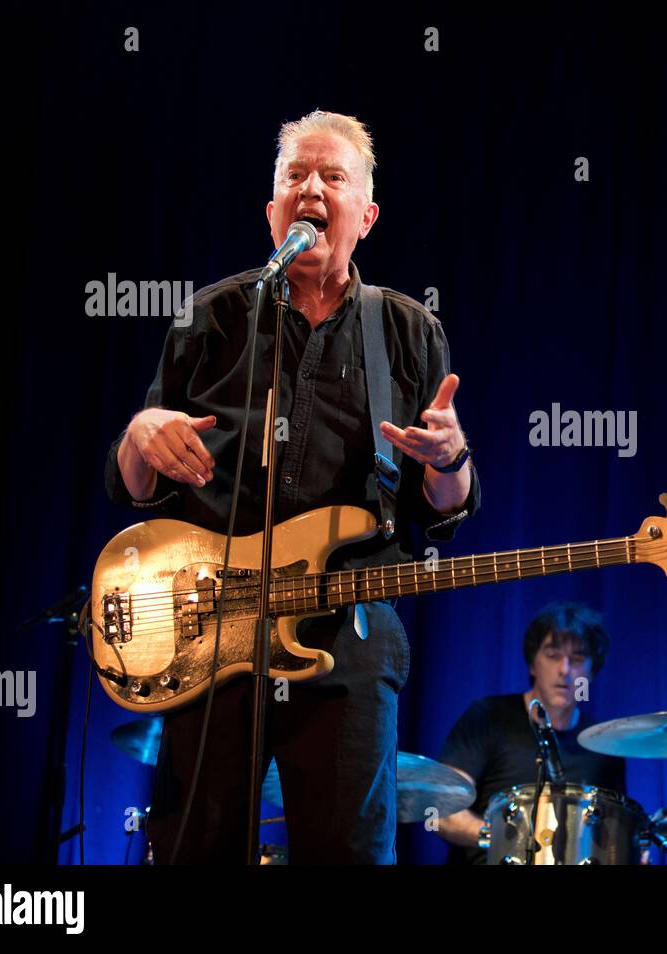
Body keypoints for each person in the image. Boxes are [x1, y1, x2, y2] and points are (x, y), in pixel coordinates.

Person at [104, 110, 479, 864]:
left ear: (365, 216)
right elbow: (134, 488)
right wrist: (140, 436)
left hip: (348, 643)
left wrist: (450, 459)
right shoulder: (209, 318)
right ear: (271, 210)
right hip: (208, 634)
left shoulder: (407, 331)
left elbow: (441, 509)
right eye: (294, 178)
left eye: (332, 178)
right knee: (194, 848)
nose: (310, 189)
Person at [436, 602, 626, 864]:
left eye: (578, 658)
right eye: (552, 654)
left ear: (592, 672)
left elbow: (614, 836)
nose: (565, 670)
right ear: (532, 664)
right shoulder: (488, 716)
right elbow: (443, 812)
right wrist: (505, 838)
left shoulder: (604, 745)